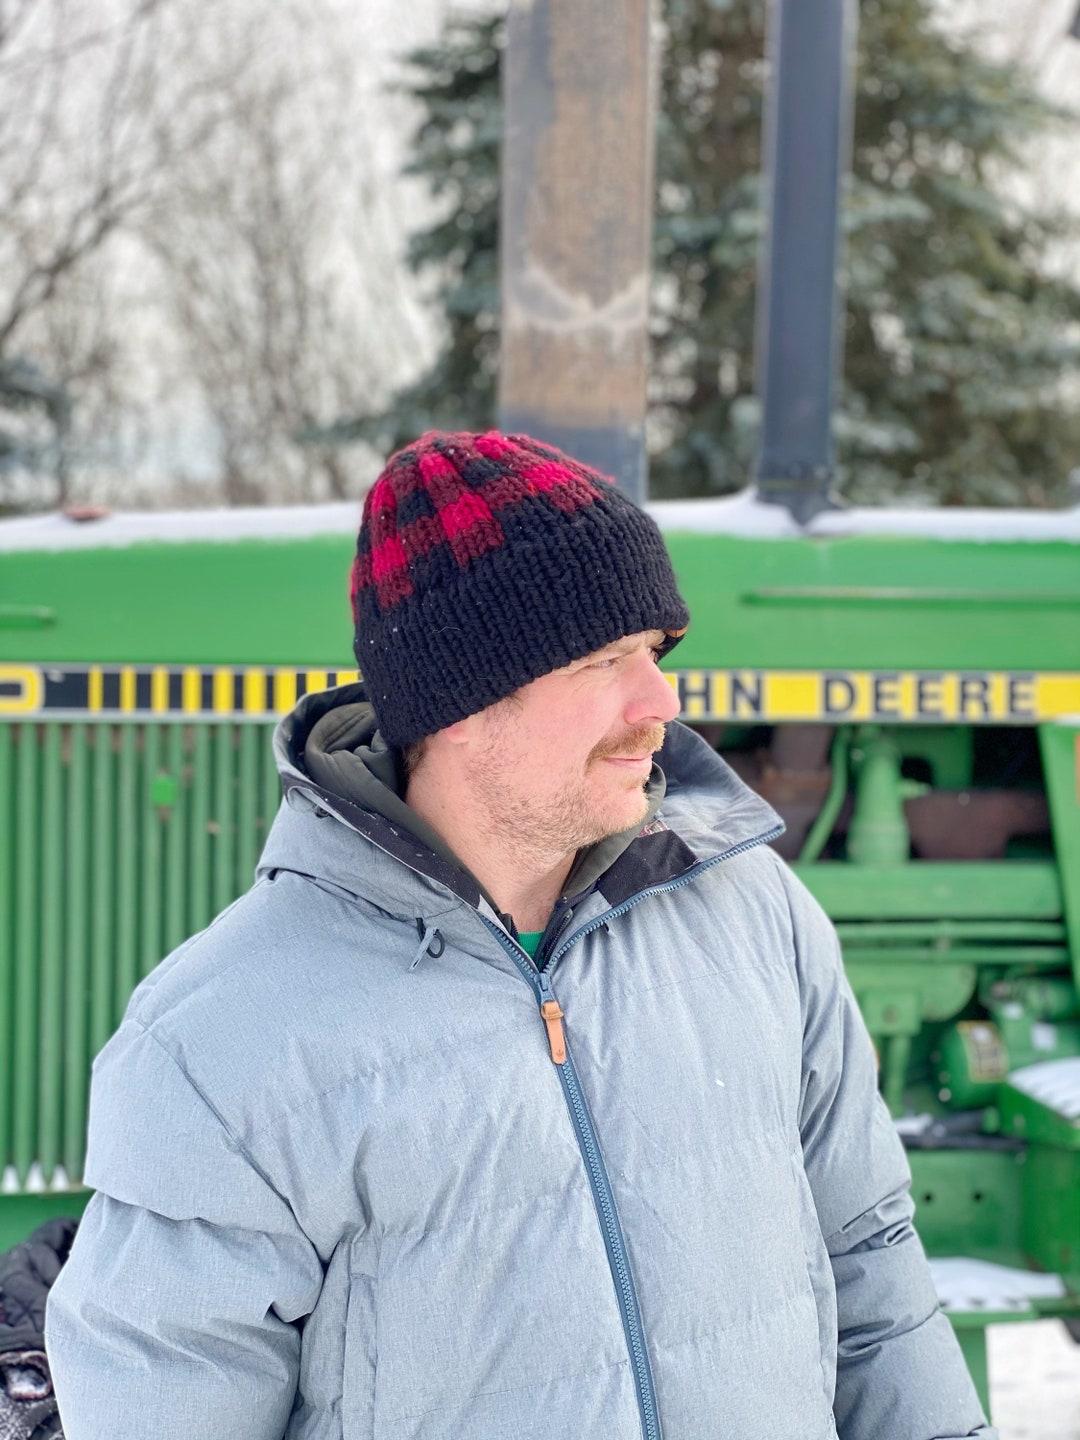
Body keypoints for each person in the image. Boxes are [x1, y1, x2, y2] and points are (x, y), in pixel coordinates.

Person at [46, 431, 993, 1440]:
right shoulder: (224, 1038)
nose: (661, 704)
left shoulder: (756, 917)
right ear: (458, 705)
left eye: (657, 652)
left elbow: (871, 1271)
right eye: (605, 661)